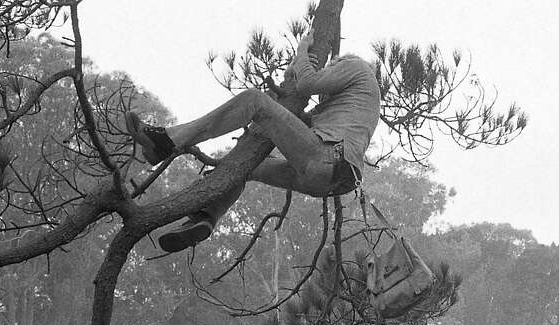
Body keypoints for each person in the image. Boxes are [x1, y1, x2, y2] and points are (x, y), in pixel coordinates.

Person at [124, 31, 380, 253]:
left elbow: (308, 84)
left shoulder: (355, 66)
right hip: (330, 180)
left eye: (330, 72)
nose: (327, 83)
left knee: (252, 100)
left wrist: (303, 52)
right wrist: (289, 78)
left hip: (326, 157)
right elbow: (294, 121)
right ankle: (207, 217)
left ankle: (167, 140)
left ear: (341, 66)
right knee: (248, 167)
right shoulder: (346, 110)